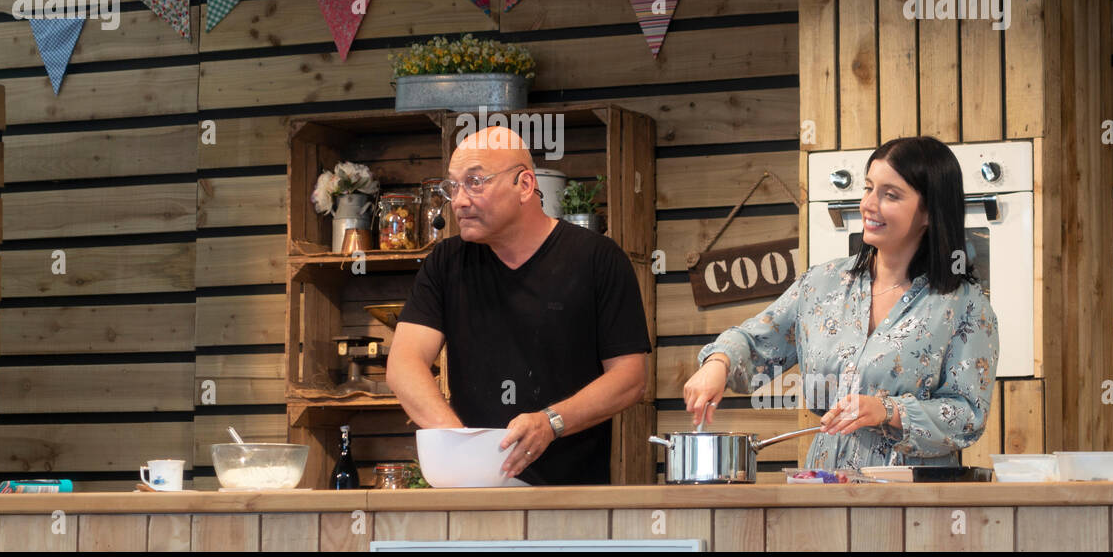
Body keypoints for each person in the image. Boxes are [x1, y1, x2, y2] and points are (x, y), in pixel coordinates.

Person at [682, 136, 999, 470]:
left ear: (929, 213)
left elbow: (967, 416)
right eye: (868, 188)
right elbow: (754, 341)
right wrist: (717, 364)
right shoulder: (821, 284)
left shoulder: (966, 306)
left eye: (890, 195)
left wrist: (888, 411)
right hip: (825, 491)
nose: (869, 204)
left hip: (912, 504)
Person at [387, 125, 650, 484]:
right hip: (474, 493)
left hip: (572, 499)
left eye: (475, 182)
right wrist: (463, 443)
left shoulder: (597, 258)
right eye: (453, 186)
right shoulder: (446, 262)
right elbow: (404, 363)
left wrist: (551, 422)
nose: (460, 200)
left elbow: (630, 377)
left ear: (525, 185)